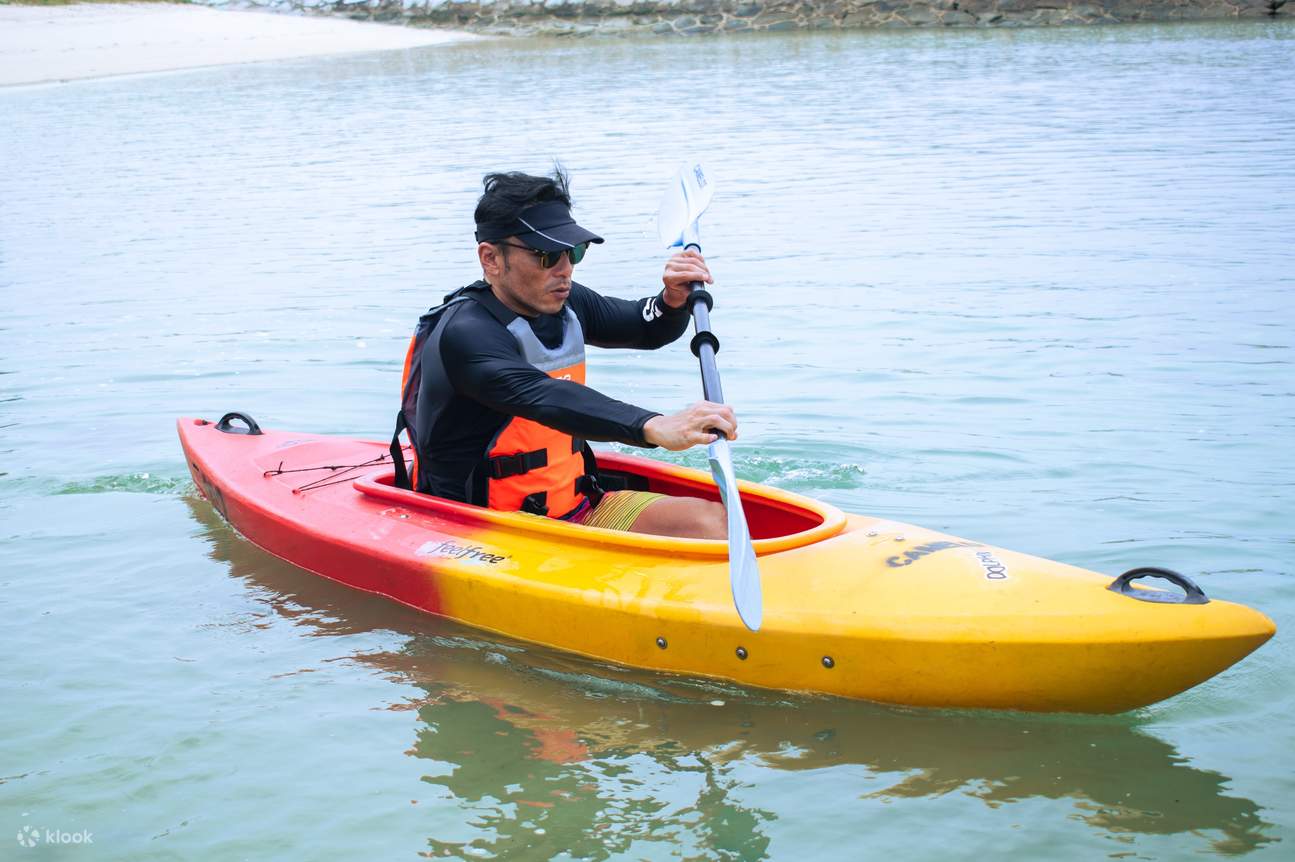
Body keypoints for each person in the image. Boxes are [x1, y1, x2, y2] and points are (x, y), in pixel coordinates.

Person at [394, 168, 737, 540]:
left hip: (576, 510)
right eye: (546, 256)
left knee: (716, 523)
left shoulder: (566, 301)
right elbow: (545, 397)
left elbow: (644, 327)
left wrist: (672, 301)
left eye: (573, 252)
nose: (565, 270)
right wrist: (652, 425)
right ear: (491, 258)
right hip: (479, 532)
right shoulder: (466, 333)